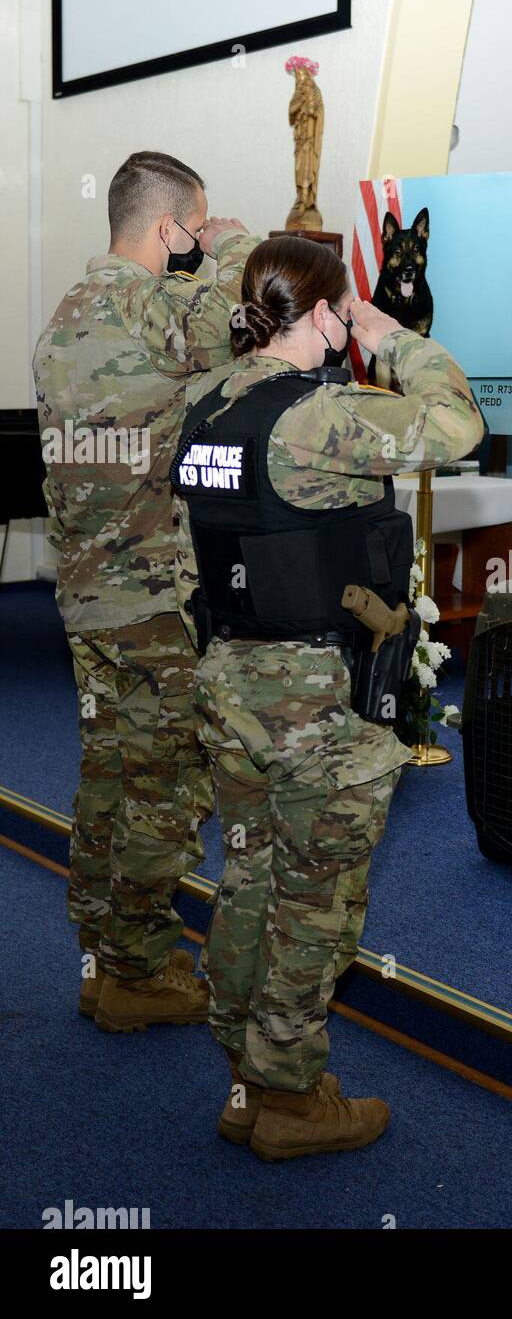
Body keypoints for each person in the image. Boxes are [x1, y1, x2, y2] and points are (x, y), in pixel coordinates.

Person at [171, 235, 484, 1160]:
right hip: (306, 693)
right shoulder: (320, 414)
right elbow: (458, 428)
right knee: (317, 899)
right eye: (338, 311)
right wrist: (394, 340)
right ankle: (292, 1098)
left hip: (227, 677)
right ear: (319, 314)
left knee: (250, 876)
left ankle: (247, 1077)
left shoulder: (203, 402)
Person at [33, 151, 259, 1030]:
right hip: (152, 602)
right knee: (164, 786)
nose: (200, 245)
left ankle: (100, 955)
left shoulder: (65, 319)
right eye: (194, 231)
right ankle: (135, 968)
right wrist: (234, 248)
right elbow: (232, 323)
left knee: (106, 777)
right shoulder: (150, 307)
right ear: (167, 230)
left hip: (86, 595)